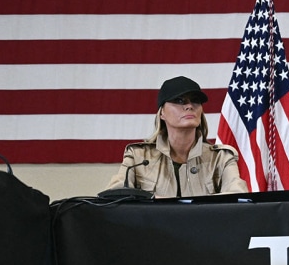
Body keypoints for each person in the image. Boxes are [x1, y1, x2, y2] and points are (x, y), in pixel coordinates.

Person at [105, 76, 248, 197]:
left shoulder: (221, 158)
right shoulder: (138, 157)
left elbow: (238, 198)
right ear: (162, 113)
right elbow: (115, 197)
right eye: (179, 101)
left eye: (195, 100)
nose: (189, 106)